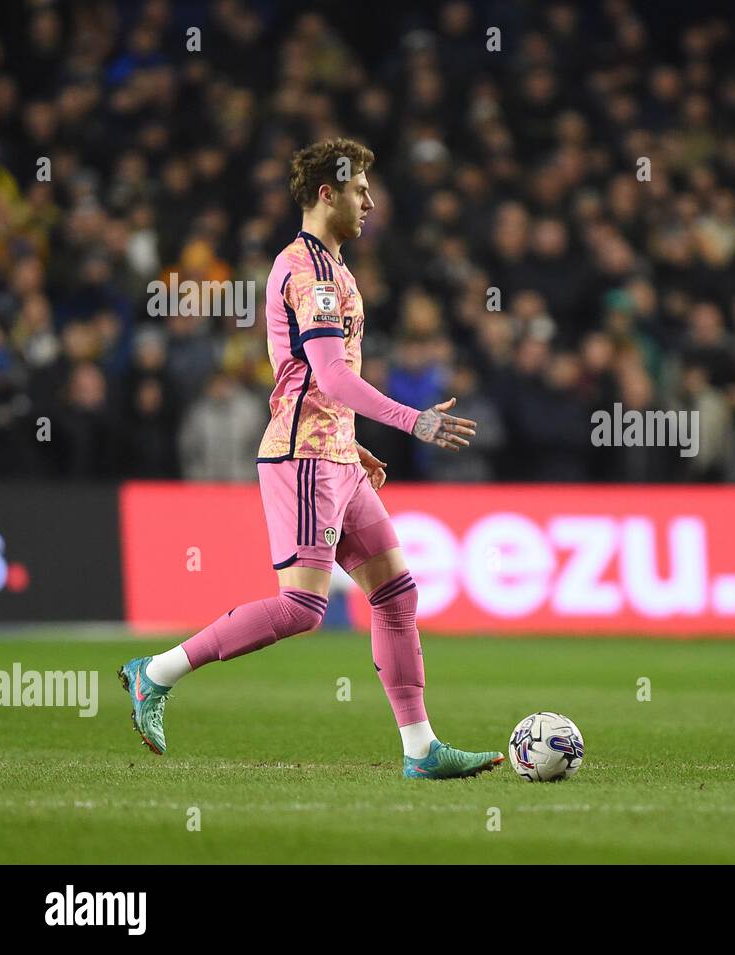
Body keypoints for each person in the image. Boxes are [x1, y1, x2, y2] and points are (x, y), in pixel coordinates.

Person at [118, 139, 503, 780]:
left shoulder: (337, 267)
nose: (370, 201)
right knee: (302, 607)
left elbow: (310, 377)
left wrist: (352, 443)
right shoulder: (311, 273)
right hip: (301, 459)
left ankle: (420, 749)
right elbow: (328, 375)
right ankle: (154, 673)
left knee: (397, 594)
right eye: (360, 191)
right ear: (329, 192)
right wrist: (416, 421)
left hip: (335, 457)